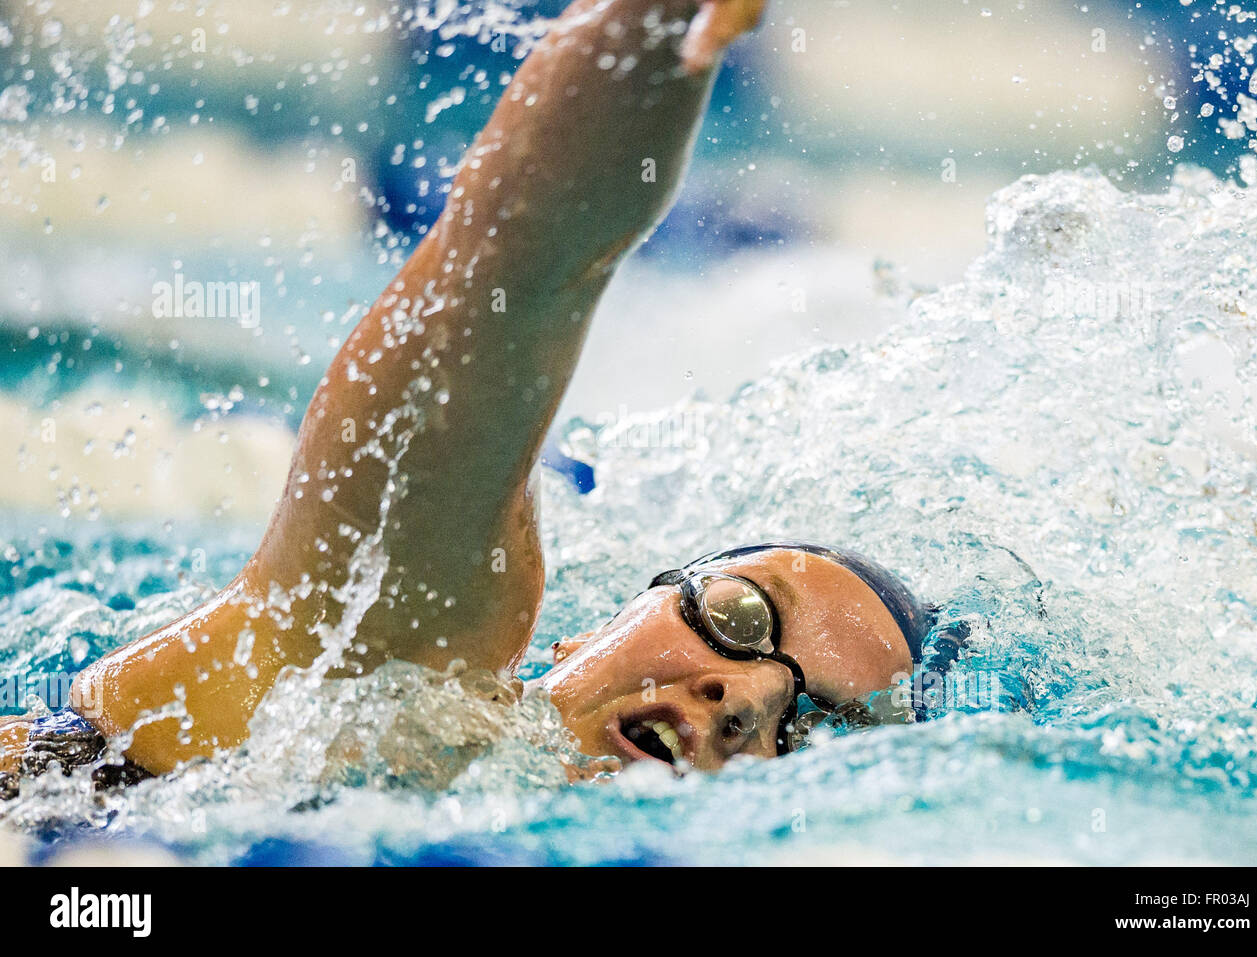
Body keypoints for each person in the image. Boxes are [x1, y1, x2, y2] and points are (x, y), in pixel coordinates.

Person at [0, 0, 934, 792]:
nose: (752, 696)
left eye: (813, 728)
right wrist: (659, 19)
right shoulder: (388, 659)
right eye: (741, 617)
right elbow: (527, 255)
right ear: (581, 635)